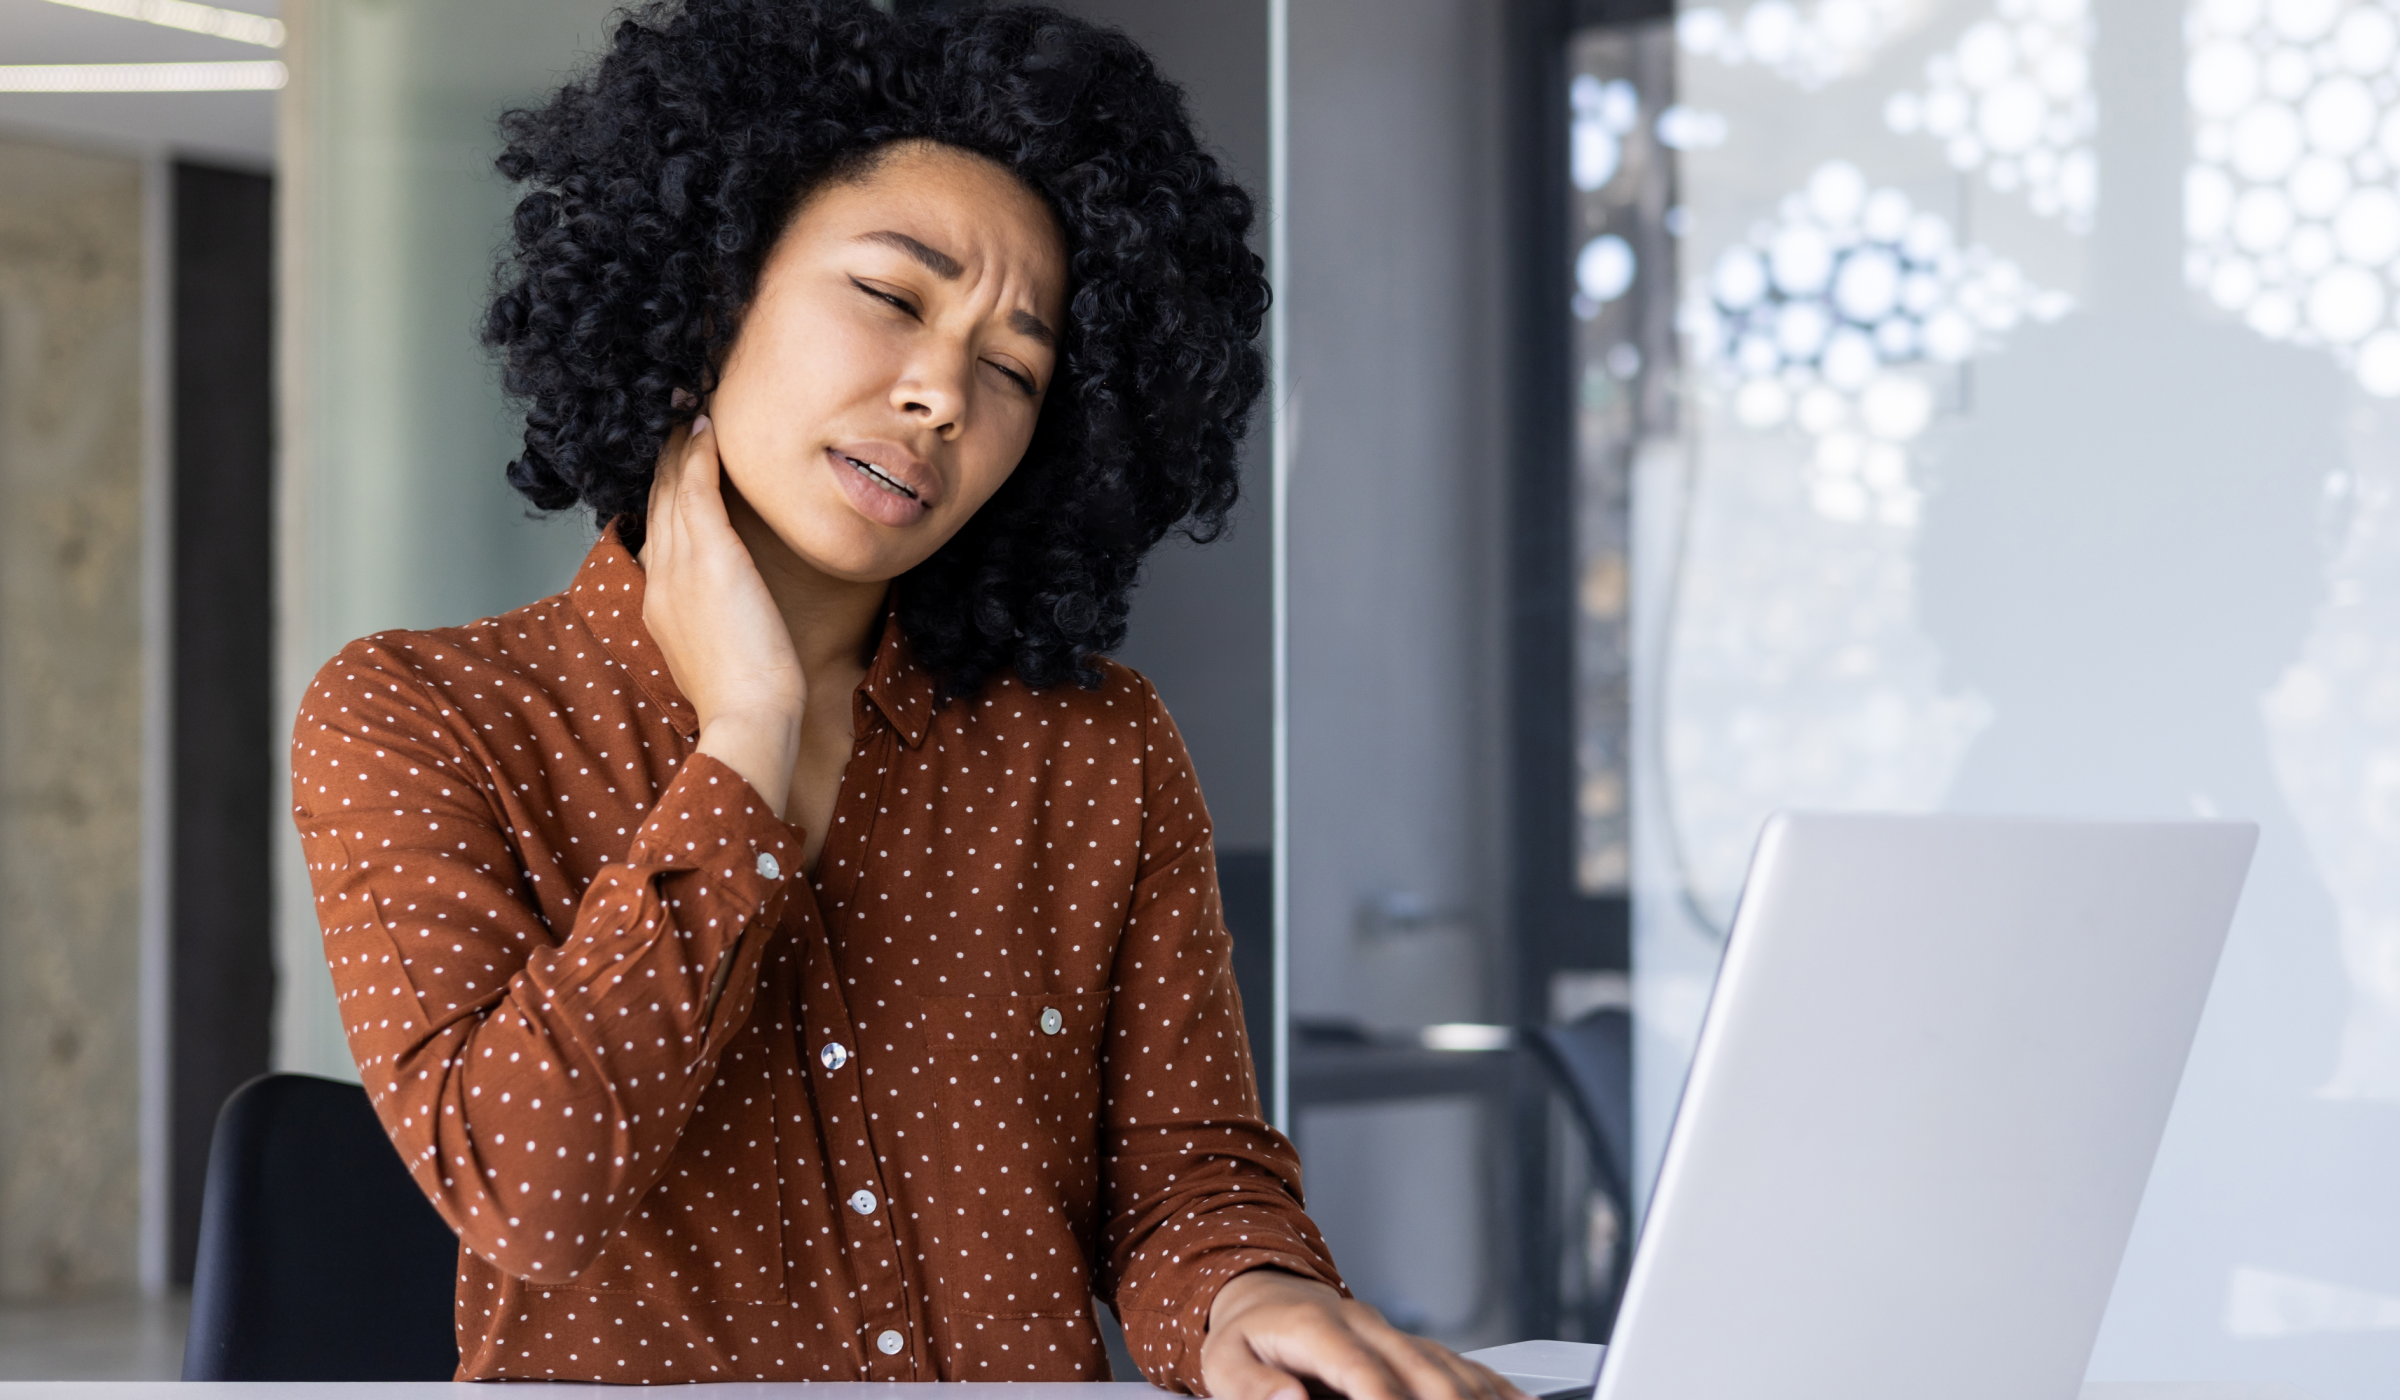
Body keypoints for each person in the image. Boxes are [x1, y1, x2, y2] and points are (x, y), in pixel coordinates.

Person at [290, 2, 1524, 1395]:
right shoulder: (423, 715)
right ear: (714, 291)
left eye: (1014, 370)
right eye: (890, 296)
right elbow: (535, 1191)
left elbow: (1189, 1182)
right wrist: (747, 739)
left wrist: (1249, 1299)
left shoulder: (1092, 750)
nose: (943, 392)